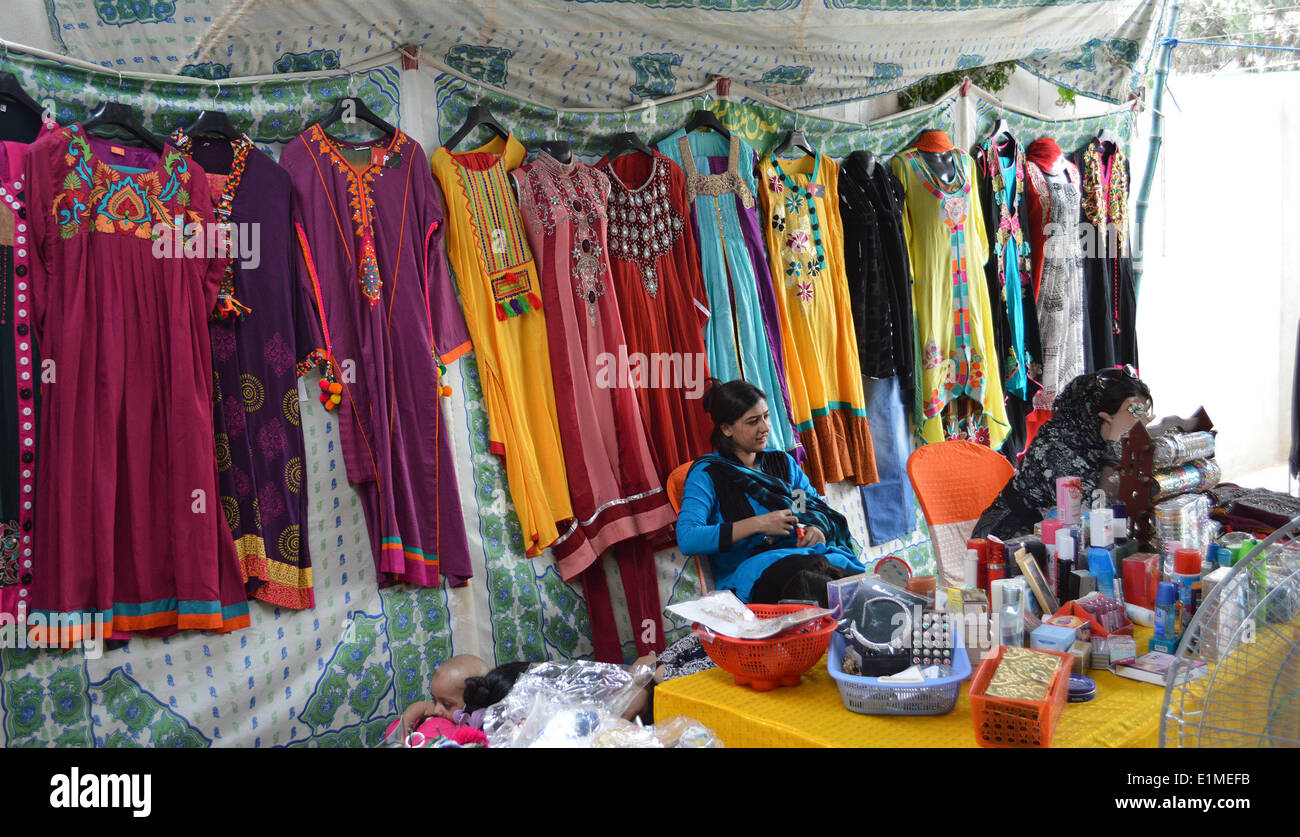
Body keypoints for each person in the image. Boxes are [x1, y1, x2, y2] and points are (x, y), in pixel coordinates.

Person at [676, 379, 865, 606]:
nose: (765, 427)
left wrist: (815, 529)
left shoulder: (783, 464)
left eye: (766, 416)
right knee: (807, 579)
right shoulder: (707, 474)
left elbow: (805, 507)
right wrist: (758, 524)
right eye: (753, 421)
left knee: (841, 572)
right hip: (753, 571)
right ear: (726, 429)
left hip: (805, 556)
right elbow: (688, 538)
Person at [972, 367, 1153, 540]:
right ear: (1098, 415)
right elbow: (1094, 517)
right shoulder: (1053, 448)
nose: (1139, 423)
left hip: (1062, 539)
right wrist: (1114, 442)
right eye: (1133, 413)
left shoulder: (1096, 445)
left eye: (1143, 413)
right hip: (1011, 543)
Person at [400, 654, 489, 731]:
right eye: (434, 701)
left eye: (446, 704)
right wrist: (403, 735)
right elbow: (419, 707)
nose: (436, 710)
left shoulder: (486, 723)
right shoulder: (439, 712)